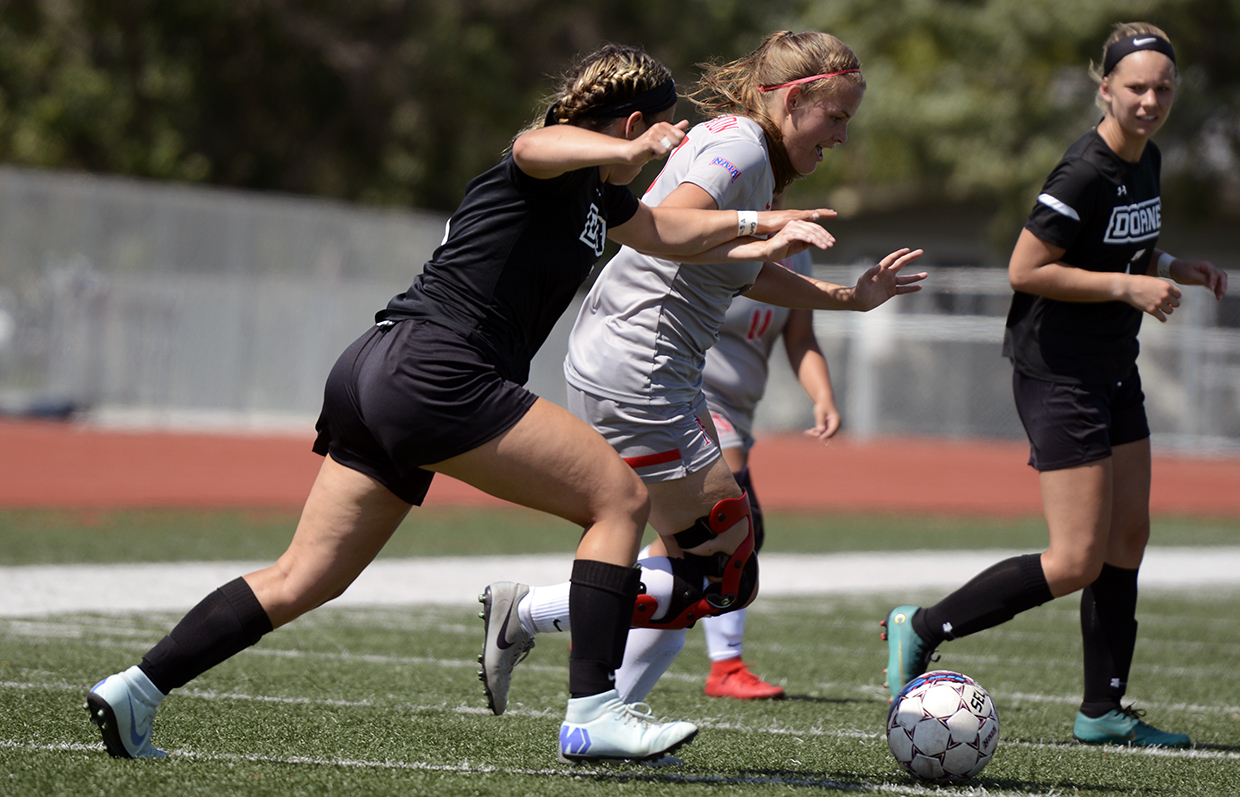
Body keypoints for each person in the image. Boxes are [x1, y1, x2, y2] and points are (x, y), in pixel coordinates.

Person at [84, 43, 840, 766]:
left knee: (304, 577)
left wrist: (761, 226)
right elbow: (532, 146)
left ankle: (135, 687)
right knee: (619, 498)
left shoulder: (599, 193)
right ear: (634, 124)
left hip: (381, 369)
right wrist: (623, 153)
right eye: (660, 127)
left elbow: (667, 232)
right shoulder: (551, 157)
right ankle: (592, 713)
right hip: (436, 367)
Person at [479, 29, 924, 714]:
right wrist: (761, 221)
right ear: (796, 99)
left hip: (641, 360)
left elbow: (740, 270)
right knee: (724, 564)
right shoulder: (744, 147)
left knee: (705, 563)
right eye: (834, 116)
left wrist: (845, 297)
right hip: (640, 364)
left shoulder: (754, 151)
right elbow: (666, 226)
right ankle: (535, 621)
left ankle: (603, 708)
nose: (840, 135)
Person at [882, 21, 1227, 749]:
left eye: (1163, 87)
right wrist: (1128, 290)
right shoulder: (1083, 170)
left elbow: (1123, 240)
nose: (1151, 100)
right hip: (1058, 369)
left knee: (1129, 535)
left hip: (1111, 364)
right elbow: (1026, 268)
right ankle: (921, 625)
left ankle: (1102, 710)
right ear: (1104, 88)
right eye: (1136, 87)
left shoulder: (1148, 159)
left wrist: (1173, 266)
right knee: (1075, 558)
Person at [700, 246, 838, 699]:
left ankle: (597, 609)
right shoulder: (721, 232)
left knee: (693, 535)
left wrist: (822, 396)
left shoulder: (797, 253)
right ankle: (725, 665)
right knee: (736, 522)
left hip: (739, 411)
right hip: (692, 394)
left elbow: (800, 336)